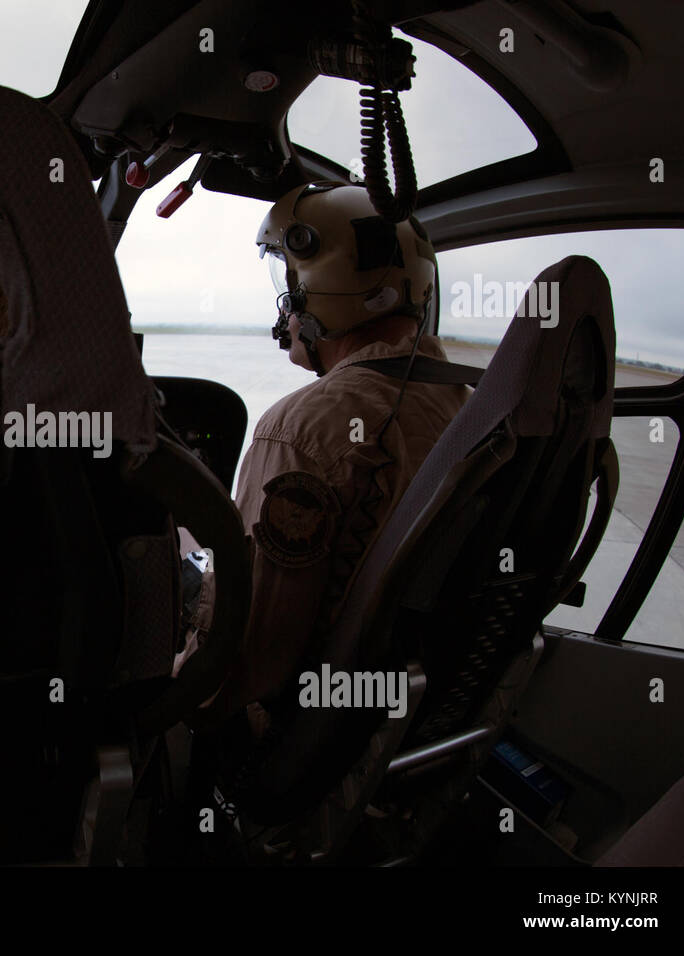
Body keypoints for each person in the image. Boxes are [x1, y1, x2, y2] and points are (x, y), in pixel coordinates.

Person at [179, 181, 470, 737]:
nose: (285, 301)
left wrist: (164, 701)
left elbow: (241, 658)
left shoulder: (300, 432)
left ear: (322, 286)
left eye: (288, 278)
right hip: (402, 715)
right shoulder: (465, 404)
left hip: (290, 733)